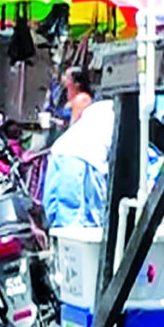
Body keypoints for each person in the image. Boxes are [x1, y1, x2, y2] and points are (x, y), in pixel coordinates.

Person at [42, 97, 115, 229]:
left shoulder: (98, 107)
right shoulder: (128, 111)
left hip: (60, 152)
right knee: (82, 227)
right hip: (87, 158)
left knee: (58, 222)